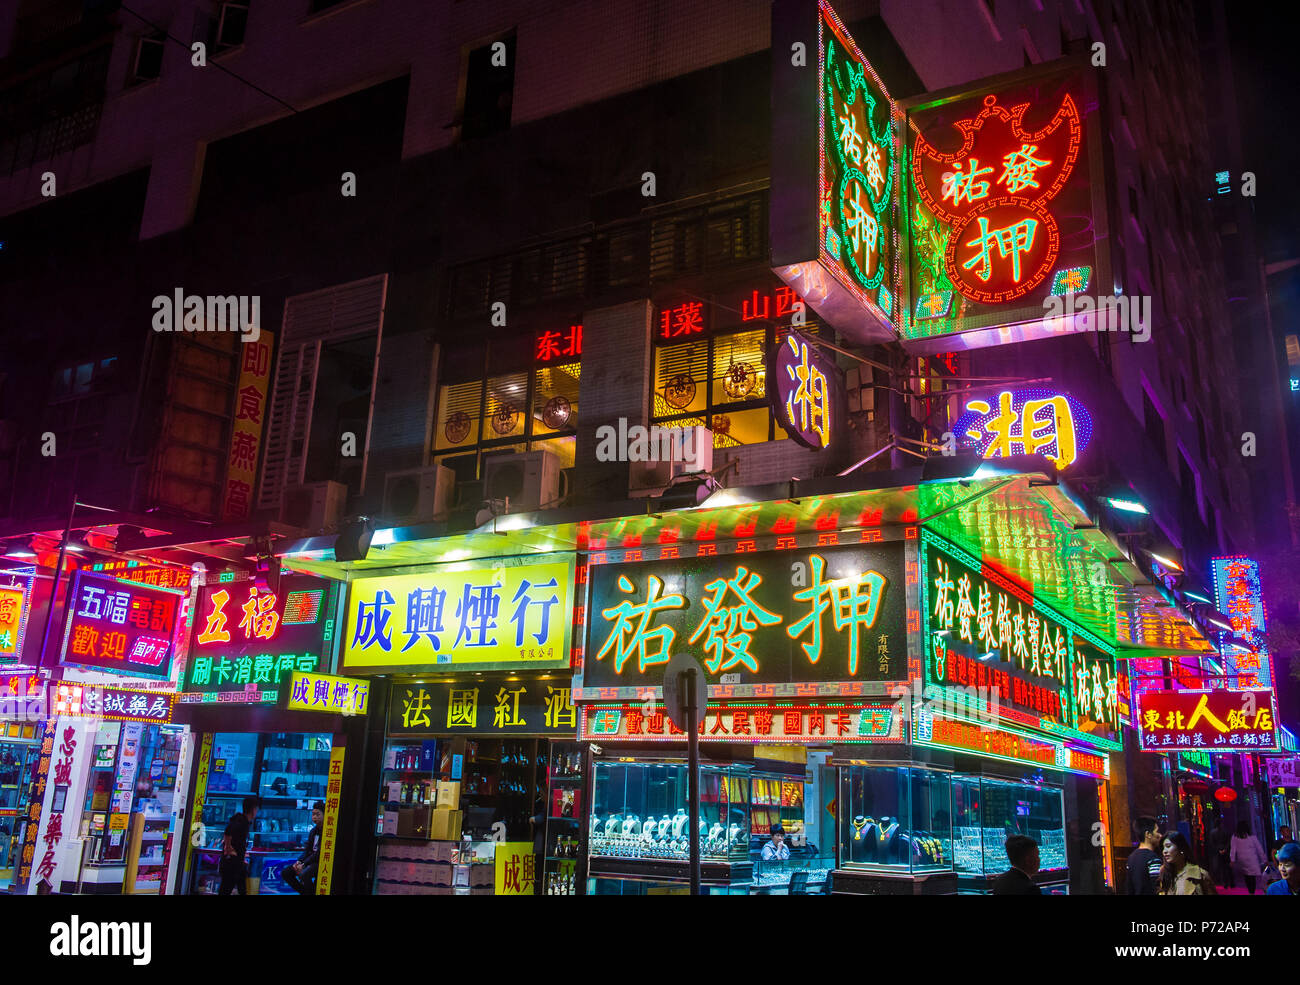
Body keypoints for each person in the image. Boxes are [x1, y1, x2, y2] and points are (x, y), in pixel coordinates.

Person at [219, 796, 259, 896]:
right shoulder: (241, 822)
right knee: (226, 889)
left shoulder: (242, 820)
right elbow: (228, 832)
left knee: (241, 889)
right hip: (232, 863)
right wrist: (228, 848)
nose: (257, 812)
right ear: (253, 810)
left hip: (238, 862)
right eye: (256, 809)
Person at [282, 801, 325, 895]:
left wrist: (304, 864)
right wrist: (299, 861)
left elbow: (319, 853)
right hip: (309, 861)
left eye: (317, 814)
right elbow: (307, 850)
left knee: (303, 874)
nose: (314, 817)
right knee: (286, 873)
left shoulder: (327, 832)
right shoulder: (313, 831)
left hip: (319, 862)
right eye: (313, 814)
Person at [1126, 816, 1164, 895]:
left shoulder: (1131, 857)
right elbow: (1157, 887)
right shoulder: (1152, 858)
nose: (1160, 835)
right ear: (1148, 834)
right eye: (1157, 831)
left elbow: (1129, 888)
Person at [1229, 820, 1268, 895]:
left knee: (1246, 876)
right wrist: (1264, 859)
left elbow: (1233, 849)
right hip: (1252, 859)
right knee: (1252, 877)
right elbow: (1259, 848)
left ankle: (1250, 891)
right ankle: (1252, 892)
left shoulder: (1235, 837)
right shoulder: (1252, 837)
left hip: (1242, 860)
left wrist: (1232, 860)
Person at [1209, 817, 1233, 888]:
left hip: (1217, 852)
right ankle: (1230, 882)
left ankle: (1222, 882)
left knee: (1219, 867)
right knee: (1227, 867)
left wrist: (1218, 850)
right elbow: (1229, 842)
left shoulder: (1212, 832)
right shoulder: (1226, 831)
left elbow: (1212, 843)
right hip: (1225, 851)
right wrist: (1225, 849)